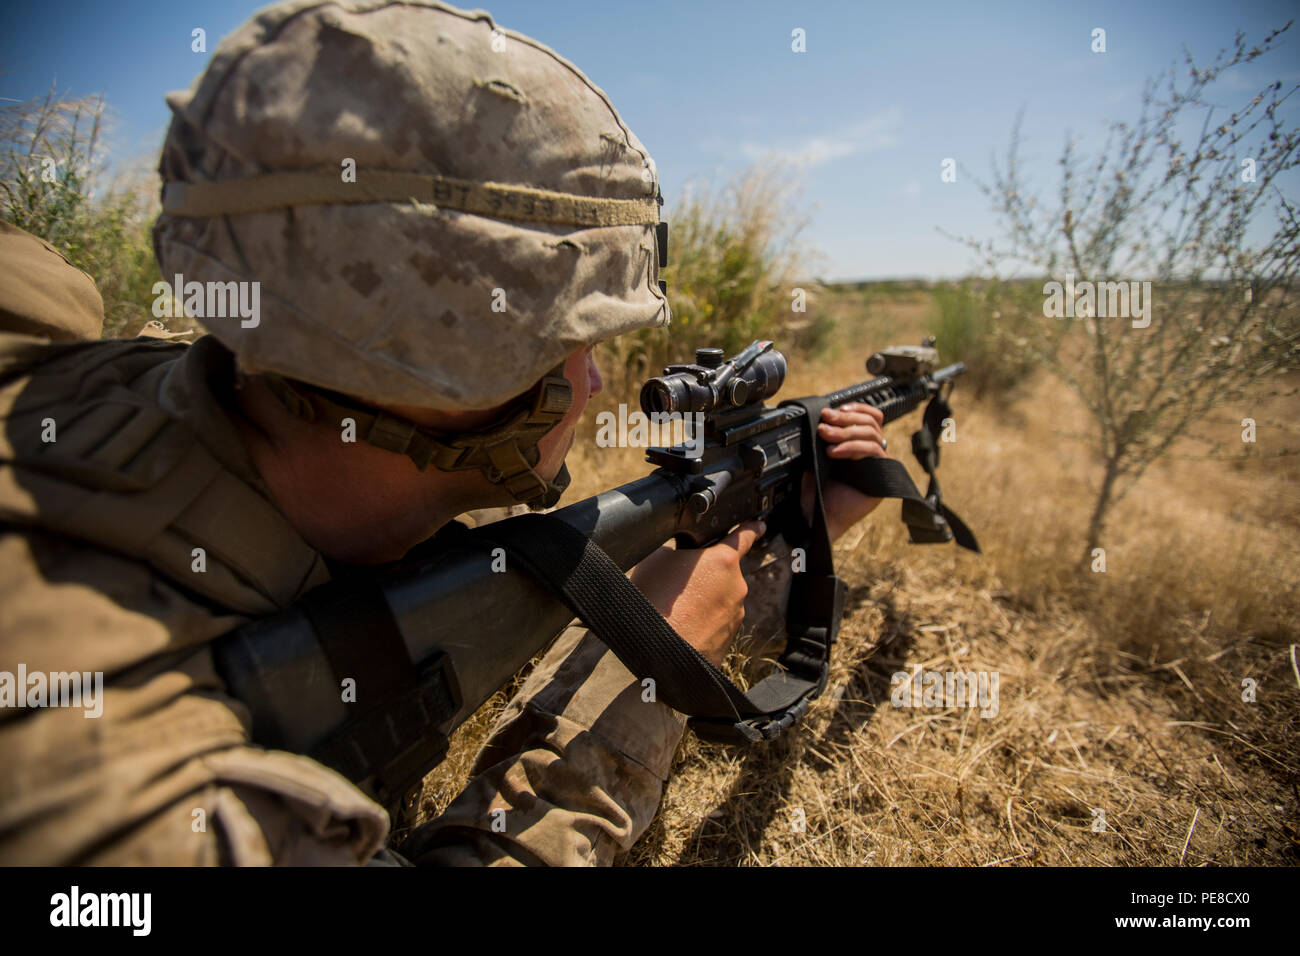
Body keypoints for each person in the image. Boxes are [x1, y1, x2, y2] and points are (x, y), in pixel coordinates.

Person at [0, 0, 887, 866]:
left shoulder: (47, 343)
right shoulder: (117, 797)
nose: (596, 379)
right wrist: (645, 676)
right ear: (458, 385)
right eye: (574, 345)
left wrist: (800, 539)